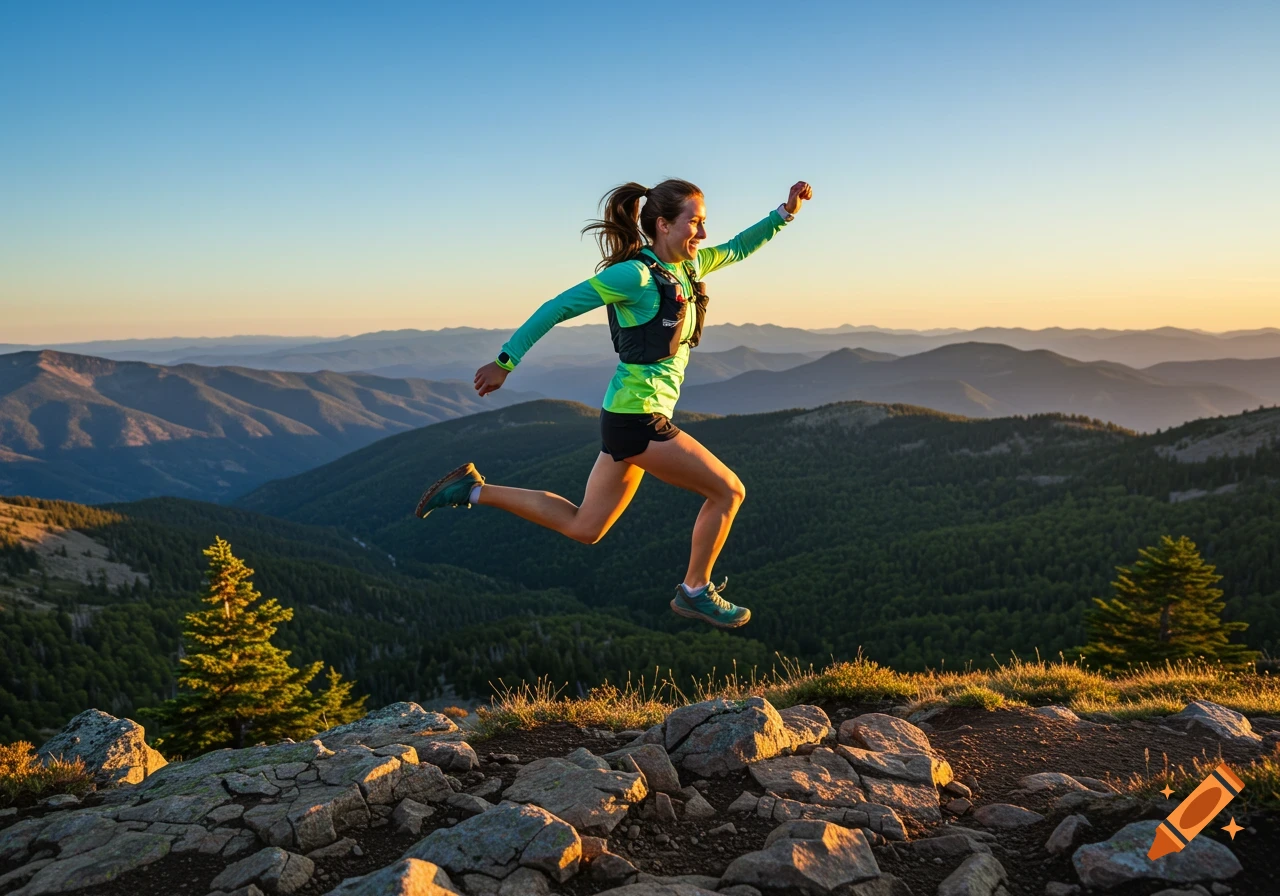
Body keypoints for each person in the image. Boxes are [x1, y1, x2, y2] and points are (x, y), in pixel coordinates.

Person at [415, 178, 813, 628]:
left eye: (704, 224)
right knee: (728, 491)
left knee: (586, 527)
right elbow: (558, 307)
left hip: (627, 416)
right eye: (695, 223)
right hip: (638, 419)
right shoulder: (634, 275)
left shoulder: (690, 266)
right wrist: (506, 361)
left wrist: (786, 213)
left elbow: (740, 247)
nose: (702, 234)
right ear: (663, 225)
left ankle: (467, 490)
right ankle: (695, 590)